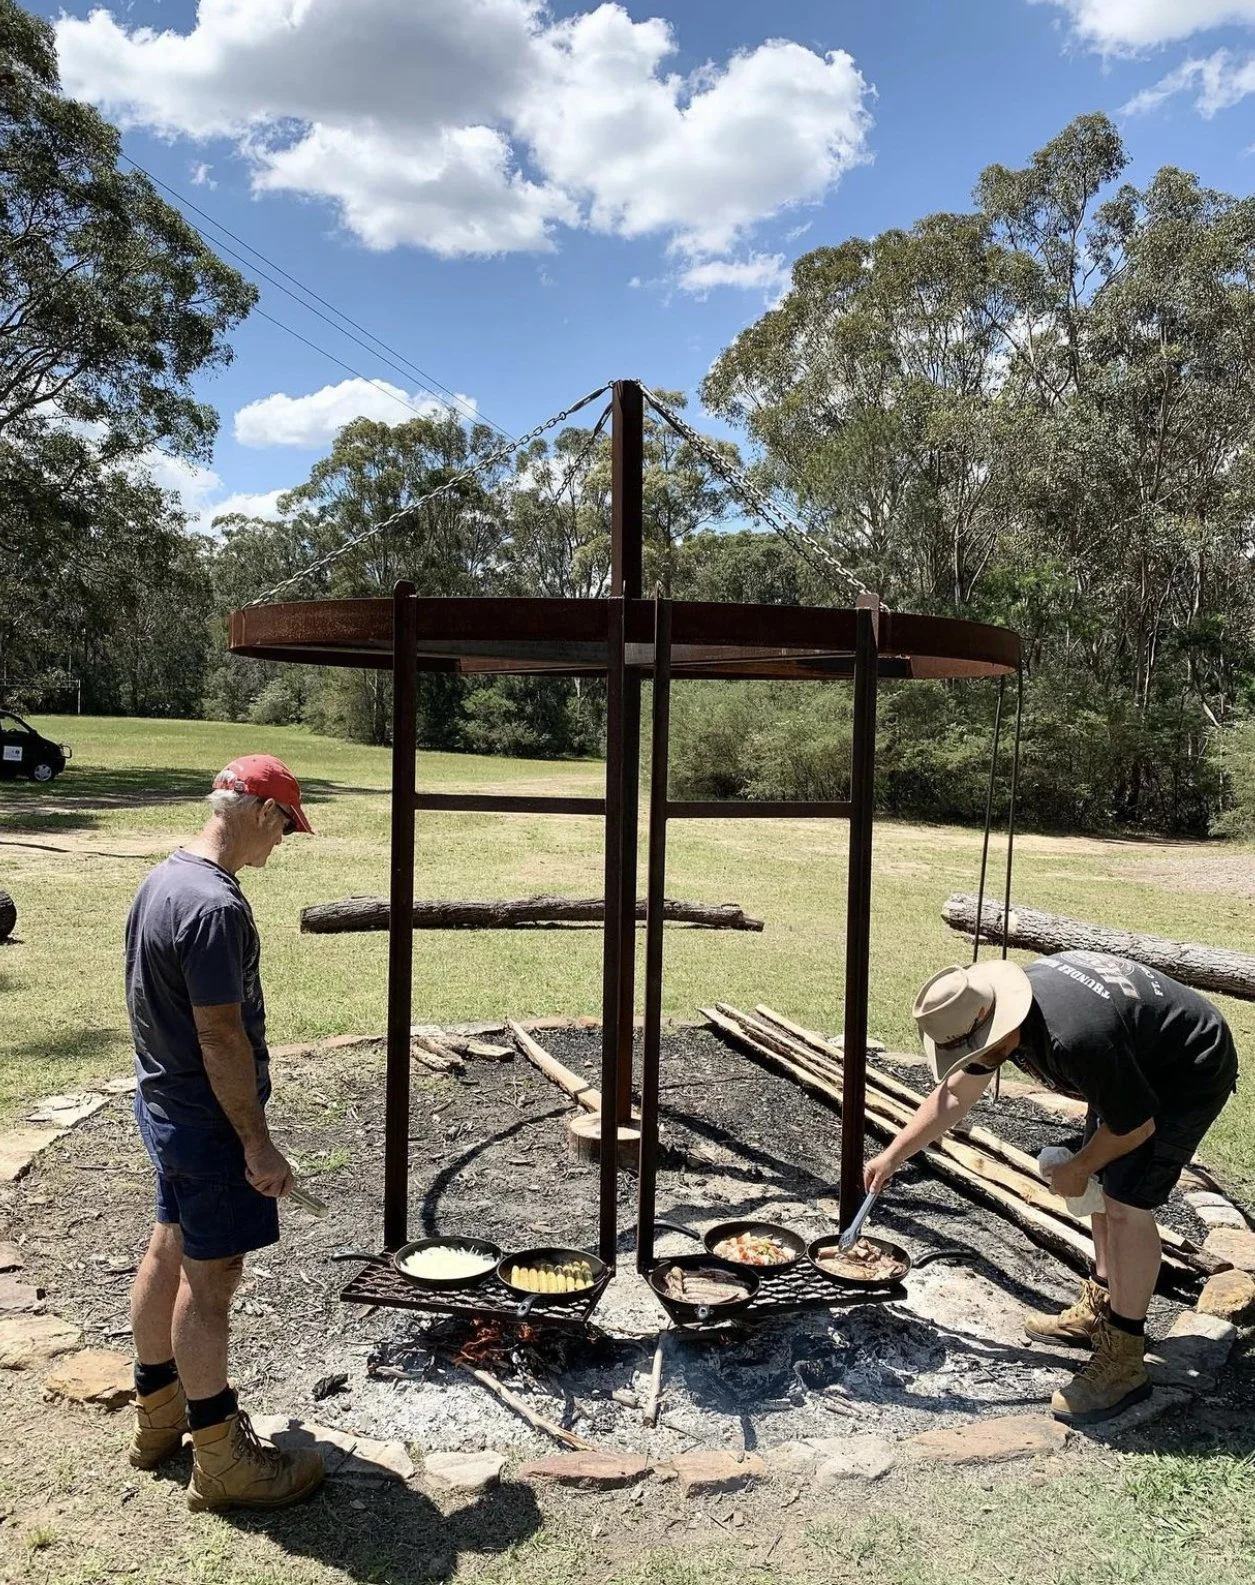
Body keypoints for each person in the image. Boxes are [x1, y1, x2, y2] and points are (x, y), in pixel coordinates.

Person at [865, 951, 1239, 1426]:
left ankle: (1124, 1359)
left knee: (1125, 1201)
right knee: (1105, 1183)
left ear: (995, 1021)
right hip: (1130, 1056)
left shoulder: (1075, 1039)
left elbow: (1135, 1127)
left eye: (979, 1048)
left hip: (1185, 1067)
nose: (976, 1059)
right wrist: (893, 1155)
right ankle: (1101, 1306)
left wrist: (1079, 1167)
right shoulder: (997, 1011)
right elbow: (955, 1093)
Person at [123, 755, 325, 1511]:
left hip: (166, 1106)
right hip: (208, 1122)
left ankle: (158, 1415)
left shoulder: (163, 880)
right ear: (262, 813)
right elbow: (220, 1036)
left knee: (166, 1247)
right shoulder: (214, 908)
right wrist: (256, 1142)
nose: (281, 842)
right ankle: (221, 1459)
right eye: (285, 828)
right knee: (212, 1282)